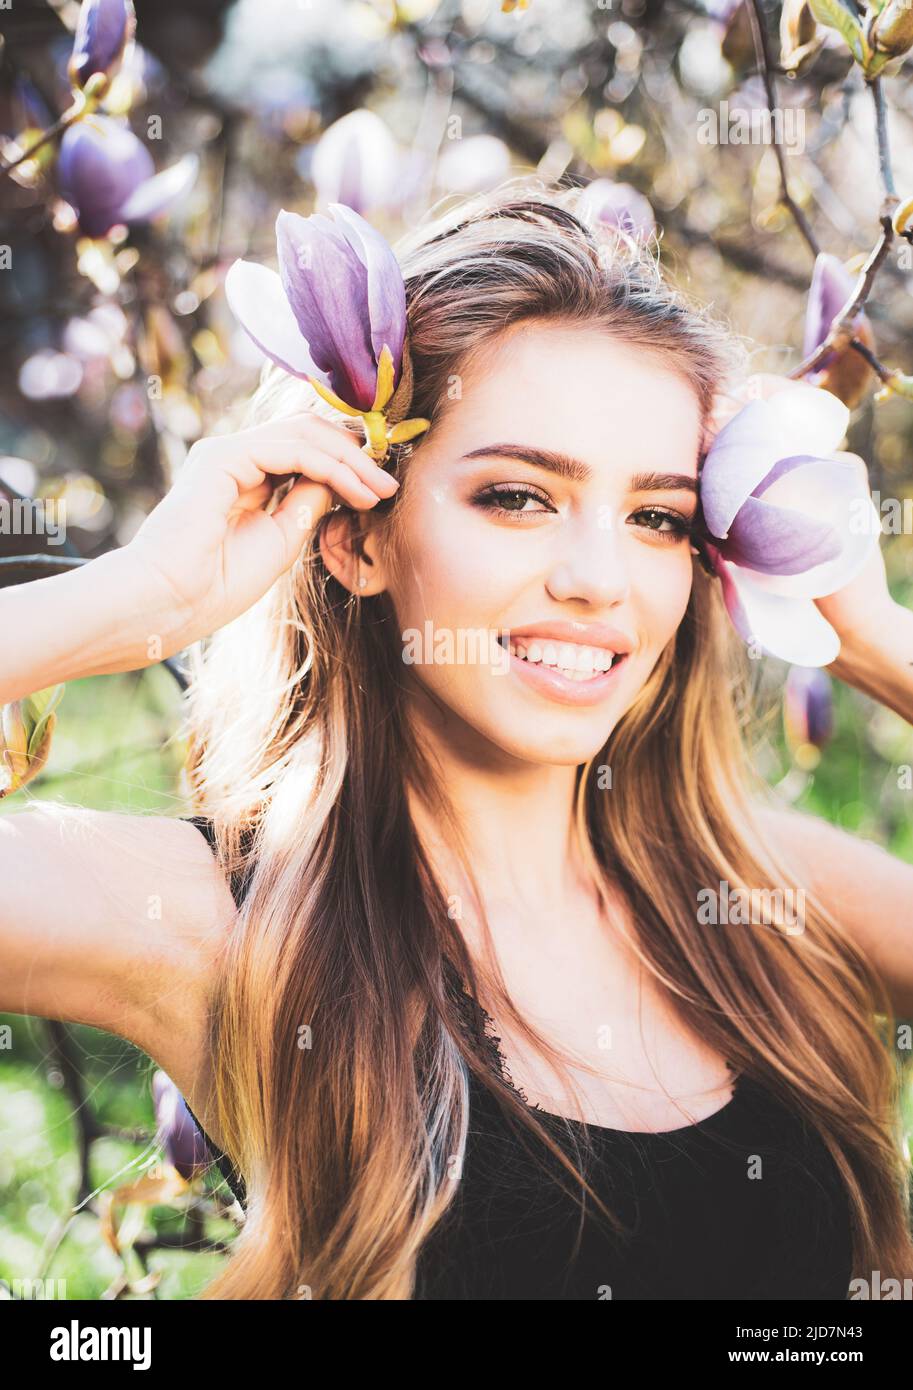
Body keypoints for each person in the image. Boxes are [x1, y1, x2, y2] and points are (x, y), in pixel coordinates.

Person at [2, 181, 912, 1300]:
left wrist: (877, 642)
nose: (596, 581)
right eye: (518, 496)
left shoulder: (762, 893)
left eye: (656, 516)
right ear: (356, 532)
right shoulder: (229, 920)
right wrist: (138, 595)